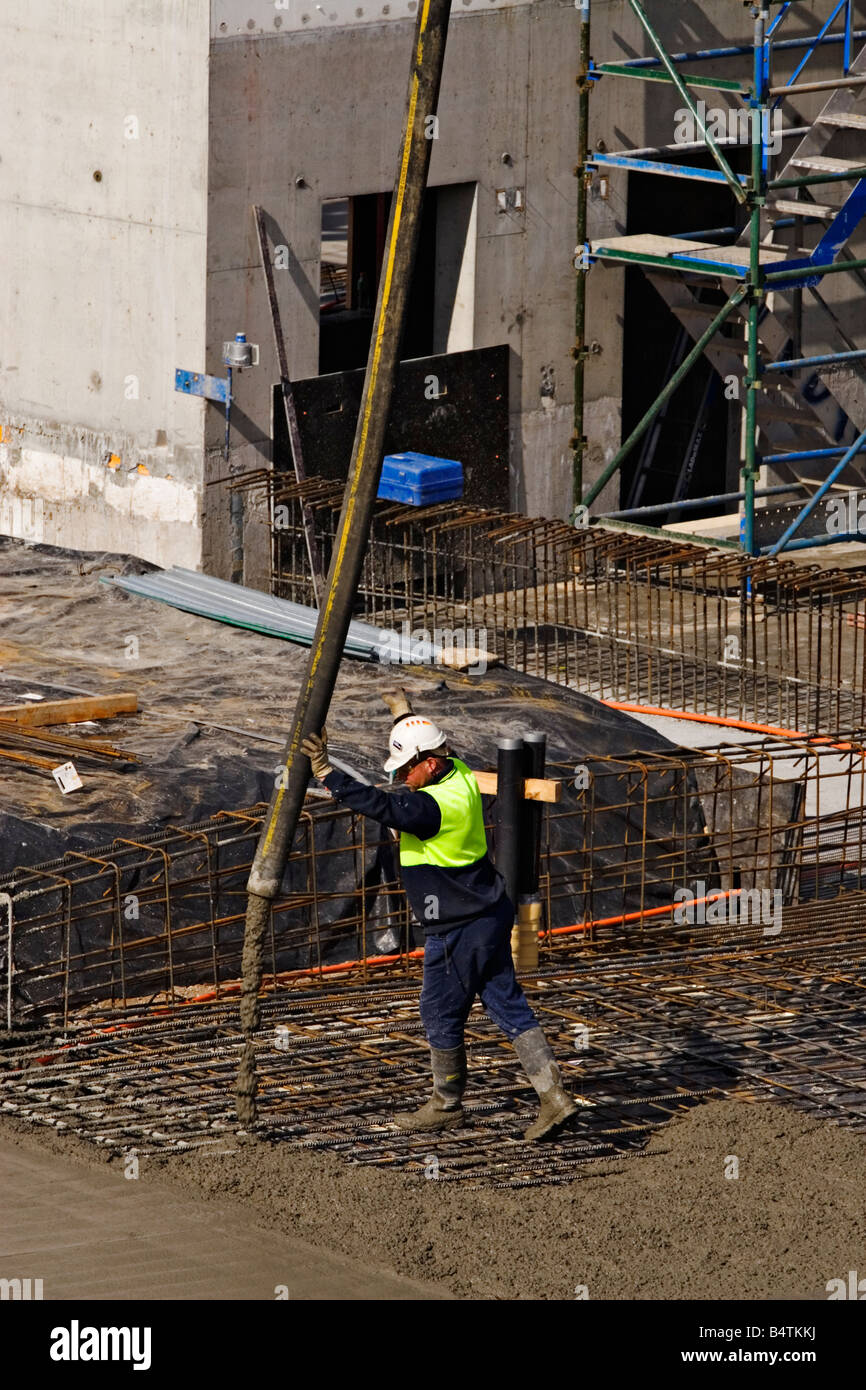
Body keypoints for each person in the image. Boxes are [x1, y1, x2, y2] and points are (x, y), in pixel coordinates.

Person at [300, 710, 579, 1141]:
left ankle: (446, 1104)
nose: (402, 777)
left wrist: (327, 773)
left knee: (438, 1012)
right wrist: (405, 715)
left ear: (429, 763)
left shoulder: (428, 806)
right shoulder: (460, 773)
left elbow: (383, 806)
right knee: (508, 1006)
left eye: (407, 768)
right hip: (488, 912)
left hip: (456, 927)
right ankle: (555, 1098)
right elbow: (409, 784)